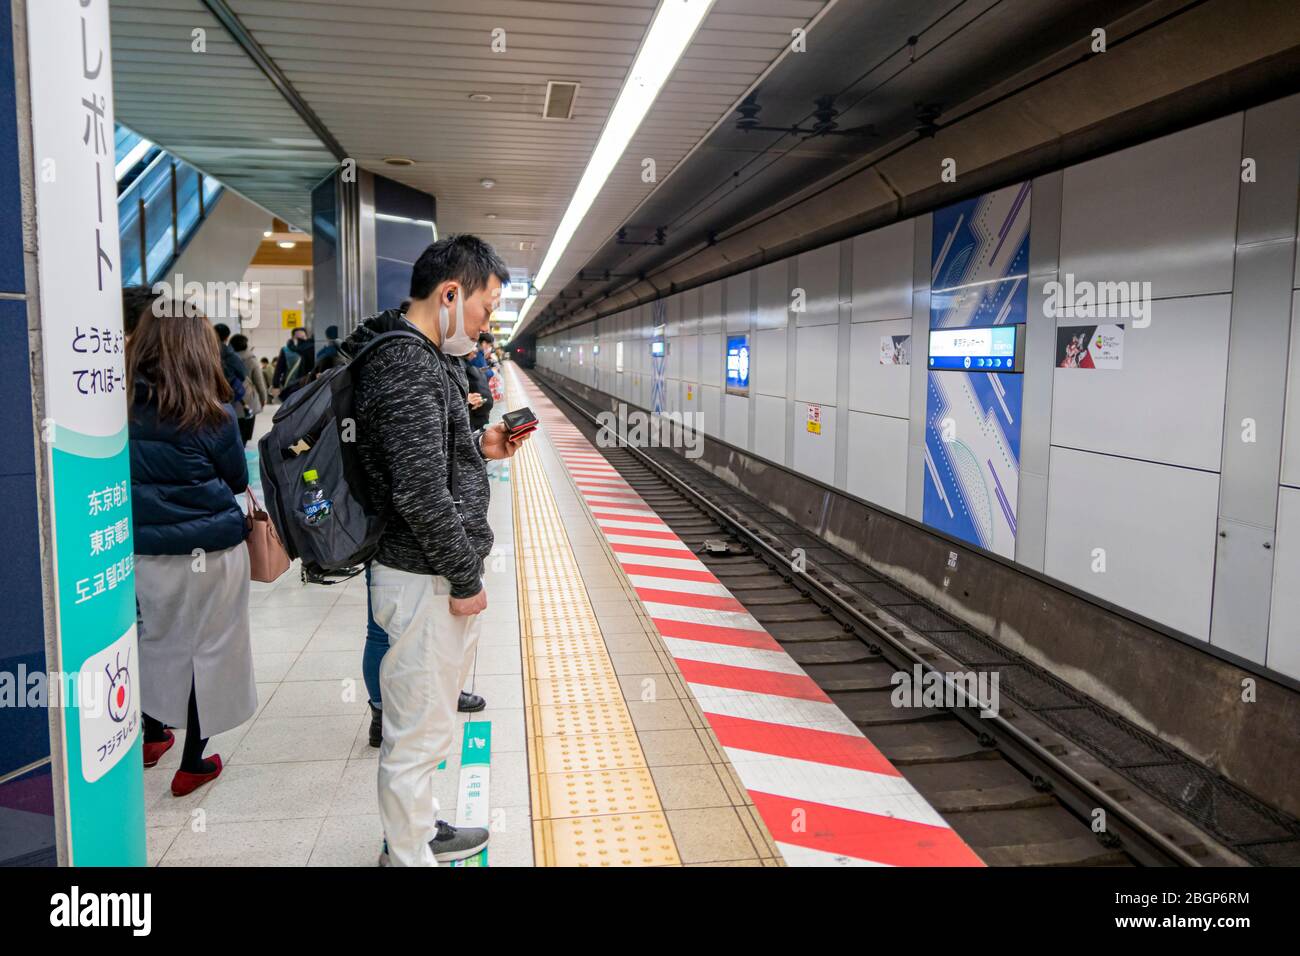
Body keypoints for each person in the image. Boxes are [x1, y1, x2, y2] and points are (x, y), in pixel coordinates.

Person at [344, 234, 529, 866]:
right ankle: (407, 856)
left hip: (429, 574)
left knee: (428, 723)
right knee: (417, 733)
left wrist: (483, 447)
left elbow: (429, 459)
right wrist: (465, 577)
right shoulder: (406, 364)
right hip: (424, 577)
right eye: (485, 307)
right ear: (450, 294)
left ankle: (419, 830)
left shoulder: (430, 357)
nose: (487, 324)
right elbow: (420, 492)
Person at [129, 310, 256, 797]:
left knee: (156, 640)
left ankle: (151, 734)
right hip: (211, 554)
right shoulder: (212, 413)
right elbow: (239, 481)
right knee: (209, 648)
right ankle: (192, 763)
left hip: (144, 553)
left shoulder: (121, 409)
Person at [229, 333, 268, 443]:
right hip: (248, 399)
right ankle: (243, 444)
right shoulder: (251, 360)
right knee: (246, 430)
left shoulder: (225, 359)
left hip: (230, 399)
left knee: (234, 429)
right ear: (246, 345)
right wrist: (263, 397)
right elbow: (259, 382)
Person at [272, 326, 315, 393]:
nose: (301, 340)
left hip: (306, 384)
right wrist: (276, 385)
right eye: (298, 338)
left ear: (306, 337)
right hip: (290, 385)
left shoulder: (311, 349)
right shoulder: (286, 350)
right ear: (293, 338)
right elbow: (279, 369)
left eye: (303, 337)